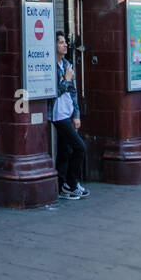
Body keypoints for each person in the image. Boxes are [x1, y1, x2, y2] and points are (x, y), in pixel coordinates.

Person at [50, 31, 88, 199]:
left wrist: (76, 114)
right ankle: (71, 183)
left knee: (65, 150)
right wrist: (66, 78)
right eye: (60, 42)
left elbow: (73, 92)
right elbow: (53, 92)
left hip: (68, 112)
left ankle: (62, 186)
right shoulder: (50, 66)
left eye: (65, 42)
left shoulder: (66, 64)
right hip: (57, 114)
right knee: (80, 147)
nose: (65, 45)